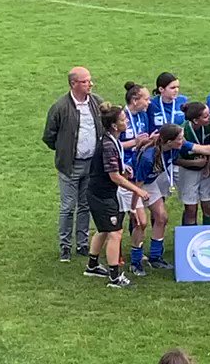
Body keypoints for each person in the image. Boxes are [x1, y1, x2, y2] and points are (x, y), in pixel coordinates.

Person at [131, 123, 210, 272]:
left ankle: (155, 257)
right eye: (180, 138)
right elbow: (137, 184)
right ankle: (135, 261)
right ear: (169, 142)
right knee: (141, 222)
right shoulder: (148, 158)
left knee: (162, 217)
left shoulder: (175, 145)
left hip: (148, 183)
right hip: (133, 186)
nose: (183, 140)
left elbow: (205, 149)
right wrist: (133, 208)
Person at [42, 66, 103, 262]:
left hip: (91, 164)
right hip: (70, 165)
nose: (90, 84)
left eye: (90, 80)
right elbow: (49, 136)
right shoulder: (60, 107)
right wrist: (64, 152)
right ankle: (65, 246)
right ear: (73, 84)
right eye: (85, 81)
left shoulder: (97, 102)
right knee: (68, 206)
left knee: (85, 205)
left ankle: (83, 244)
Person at [85, 102, 149, 289]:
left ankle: (92, 266)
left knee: (104, 229)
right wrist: (138, 190)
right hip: (102, 195)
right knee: (115, 233)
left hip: (103, 193)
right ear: (114, 125)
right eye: (123, 119)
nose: (126, 121)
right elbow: (114, 177)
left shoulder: (112, 141)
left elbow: (115, 170)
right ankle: (115, 277)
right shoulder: (108, 145)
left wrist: (124, 168)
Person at [117, 82, 156, 256]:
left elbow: (143, 140)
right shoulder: (120, 117)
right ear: (134, 100)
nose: (149, 103)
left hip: (138, 170)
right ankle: (118, 254)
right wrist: (136, 142)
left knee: (140, 220)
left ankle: (135, 255)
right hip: (122, 173)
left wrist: (149, 140)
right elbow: (114, 145)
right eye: (146, 99)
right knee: (120, 217)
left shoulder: (143, 115)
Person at [175, 102, 210, 226]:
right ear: (195, 120)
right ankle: (189, 241)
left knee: (209, 206)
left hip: (207, 170)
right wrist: (192, 163)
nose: (209, 118)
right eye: (205, 116)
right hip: (188, 172)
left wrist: (208, 165)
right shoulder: (182, 132)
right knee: (191, 209)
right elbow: (174, 159)